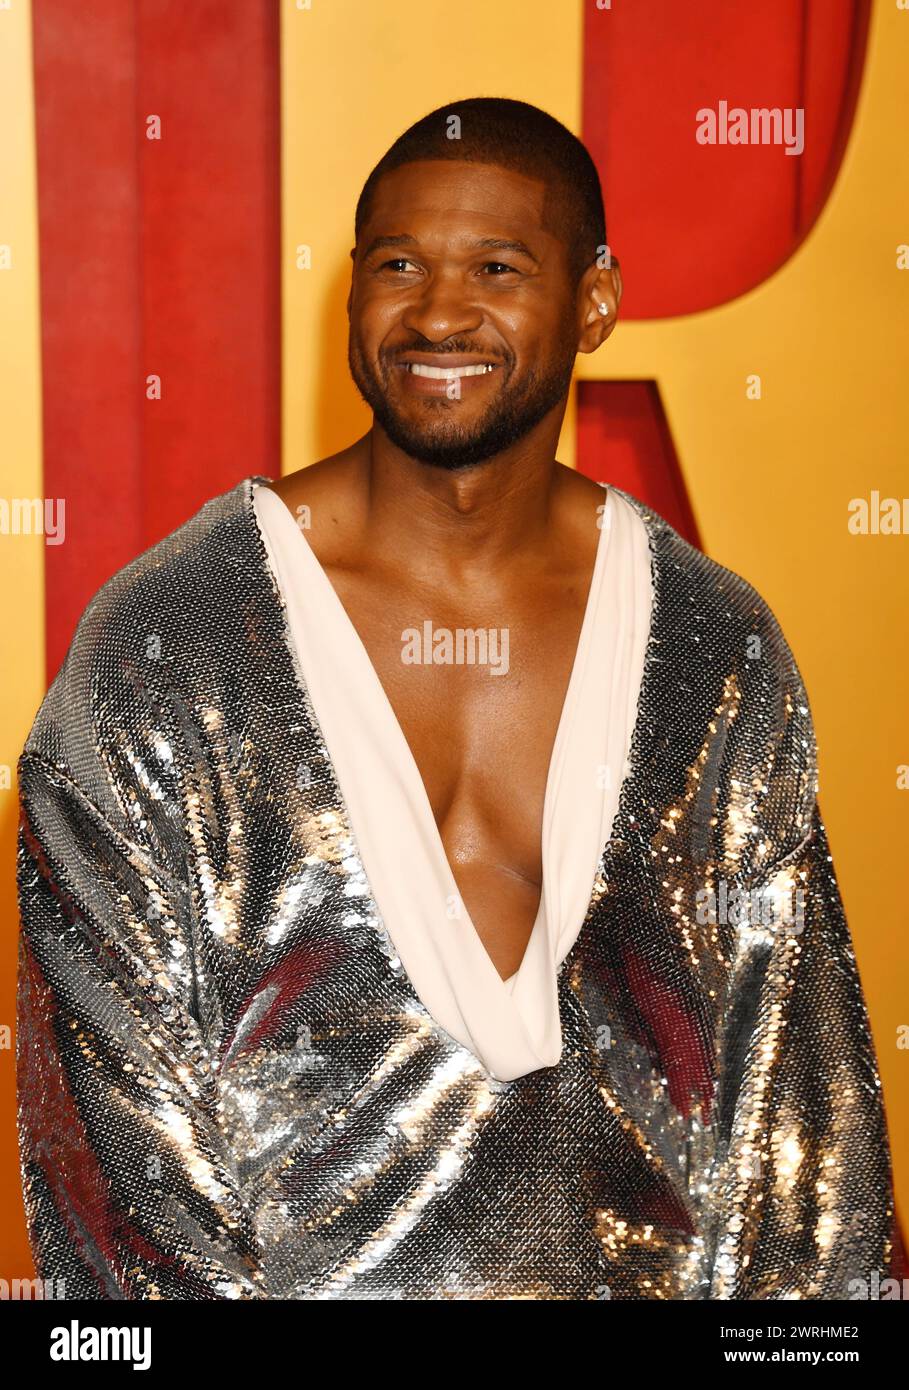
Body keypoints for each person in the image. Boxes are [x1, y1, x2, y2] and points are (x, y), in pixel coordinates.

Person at [15, 96, 899, 1300]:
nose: (437, 313)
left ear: (594, 302)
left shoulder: (712, 645)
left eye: (496, 266)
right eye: (398, 266)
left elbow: (797, 1150)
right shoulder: (166, 644)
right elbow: (115, 1183)